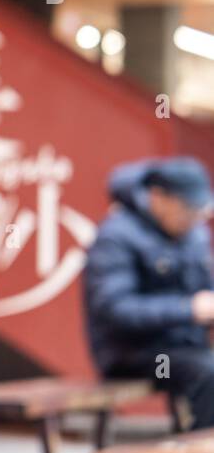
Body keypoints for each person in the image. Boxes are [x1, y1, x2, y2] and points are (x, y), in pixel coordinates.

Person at [83, 157, 214, 428]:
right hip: (134, 355)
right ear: (158, 197)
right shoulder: (116, 236)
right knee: (208, 372)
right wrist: (187, 308)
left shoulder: (194, 234)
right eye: (189, 208)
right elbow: (114, 309)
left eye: (201, 209)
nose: (195, 217)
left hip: (187, 347)